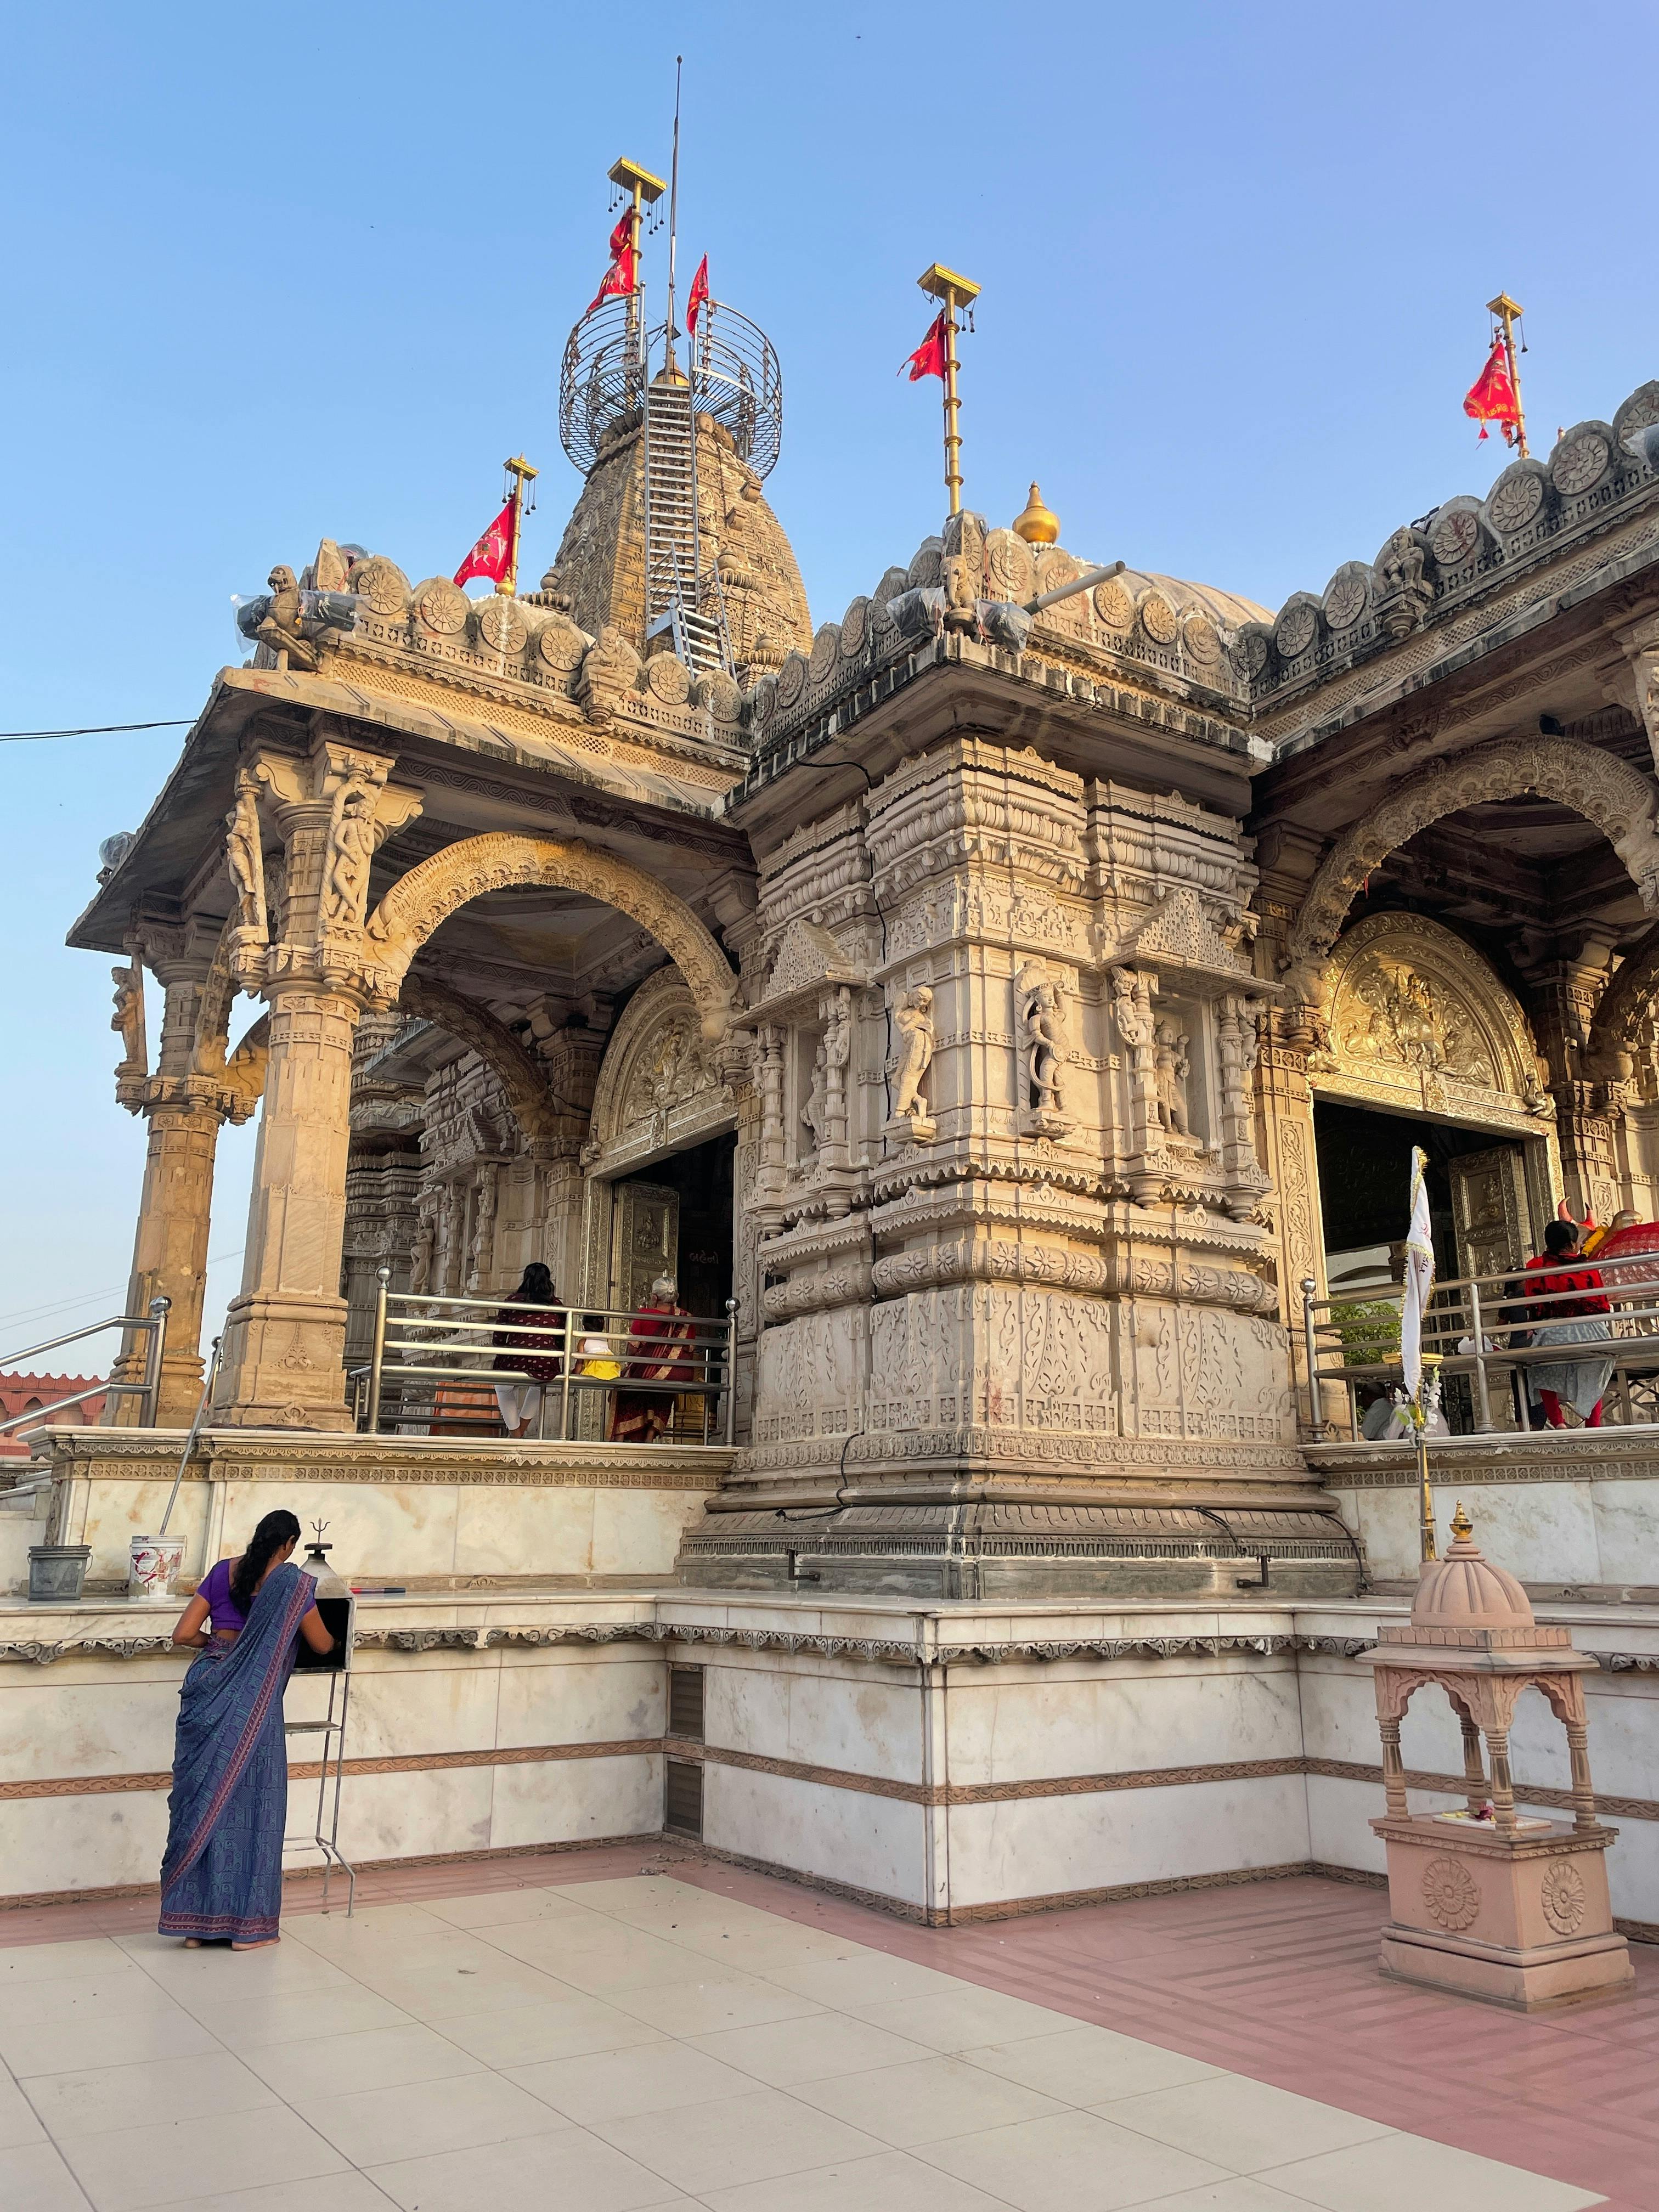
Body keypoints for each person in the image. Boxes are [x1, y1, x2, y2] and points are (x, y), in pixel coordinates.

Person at [162, 1511, 334, 1949]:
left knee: (202, 1805)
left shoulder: (223, 1571)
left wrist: (220, 1645)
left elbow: (184, 1634)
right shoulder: (291, 1586)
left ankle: (196, 1930)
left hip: (207, 1688)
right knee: (256, 1808)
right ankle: (246, 1933)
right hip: (254, 1704)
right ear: (290, 1543)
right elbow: (321, 1644)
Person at [1523, 1219, 1613, 1429]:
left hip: (1552, 1332)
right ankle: (1593, 1423)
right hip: (1592, 1331)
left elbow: (1531, 1303)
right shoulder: (1588, 1268)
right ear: (1574, 1244)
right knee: (1594, 1369)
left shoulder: (1535, 1266)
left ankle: (1558, 1421)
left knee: (1542, 1366)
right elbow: (1603, 1305)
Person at [609, 1273, 697, 1443]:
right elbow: (689, 1349)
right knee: (663, 1384)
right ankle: (649, 1436)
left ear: (654, 1297)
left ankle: (620, 1437)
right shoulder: (688, 1318)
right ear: (675, 1297)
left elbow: (632, 1351)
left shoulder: (645, 1314)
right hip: (682, 1372)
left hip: (653, 1371)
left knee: (625, 1385)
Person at [490, 1262, 565, 1437]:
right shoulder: (557, 1305)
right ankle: (520, 1431)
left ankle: (515, 1432)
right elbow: (561, 1340)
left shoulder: (512, 1301)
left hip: (515, 1358)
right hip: (545, 1361)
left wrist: (504, 1350)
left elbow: (499, 1337)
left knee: (502, 1387)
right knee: (540, 1384)